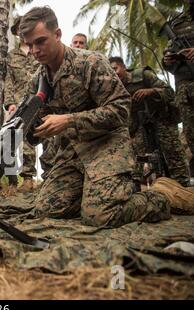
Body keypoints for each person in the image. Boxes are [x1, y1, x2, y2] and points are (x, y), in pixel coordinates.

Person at [19, 6, 186, 227]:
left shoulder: (90, 63)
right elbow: (35, 134)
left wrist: (69, 120)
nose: (35, 50)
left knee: (101, 216)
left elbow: (121, 109)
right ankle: (96, 193)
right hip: (73, 153)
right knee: (45, 211)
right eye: (29, 45)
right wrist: (27, 126)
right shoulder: (38, 79)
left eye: (40, 41)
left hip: (107, 148)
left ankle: (160, 196)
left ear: (57, 34)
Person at [109, 56, 189, 187]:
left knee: (173, 153)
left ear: (123, 67)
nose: (114, 73)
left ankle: (184, 188)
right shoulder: (114, 88)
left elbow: (169, 92)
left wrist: (151, 91)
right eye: (111, 71)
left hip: (163, 118)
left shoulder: (143, 75)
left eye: (115, 69)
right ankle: (140, 186)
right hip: (140, 124)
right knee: (137, 157)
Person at [4, 16, 41, 191]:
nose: (21, 30)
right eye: (19, 28)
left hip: (42, 98)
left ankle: (50, 175)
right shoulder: (12, 56)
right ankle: (27, 178)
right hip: (21, 102)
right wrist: (10, 103)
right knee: (24, 139)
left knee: (48, 137)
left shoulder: (38, 48)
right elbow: (8, 80)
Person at [162, 0, 194, 176]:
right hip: (185, 90)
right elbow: (168, 52)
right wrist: (167, 59)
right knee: (191, 136)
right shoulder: (177, 23)